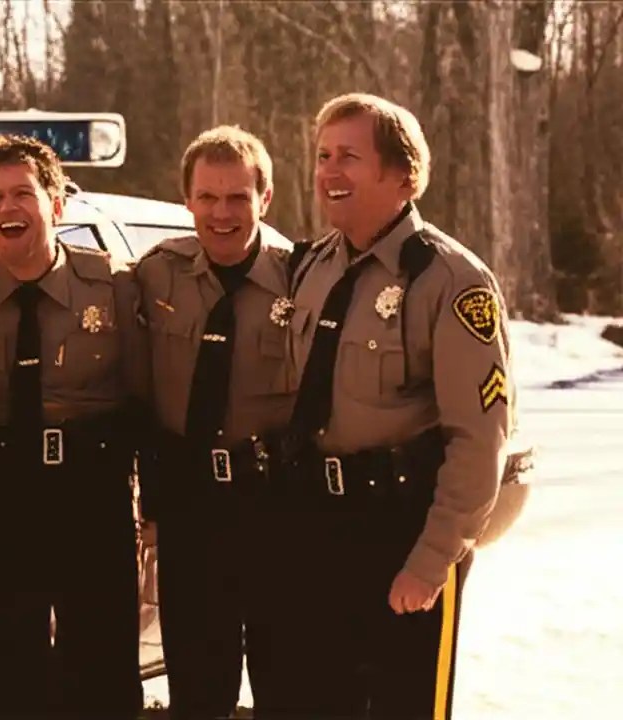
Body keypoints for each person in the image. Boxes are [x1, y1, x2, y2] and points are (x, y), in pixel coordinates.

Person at [275, 92, 513, 718]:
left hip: (402, 531)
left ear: (404, 176)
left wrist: (432, 561)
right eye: (323, 155)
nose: (328, 171)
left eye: (349, 157)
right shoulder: (315, 267)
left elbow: (479, 439)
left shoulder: (451, 280)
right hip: (318, 527)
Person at [0, 135, 148, 720]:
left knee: (102, 679)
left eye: (23, 194)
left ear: (56, 206)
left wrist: (152, 515)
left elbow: (151, 398)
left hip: (93, 503)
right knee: (8, 680)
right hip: (2, 506)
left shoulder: (116, 285)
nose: (8, 209)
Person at [133, 125, 296, 720]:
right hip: (190, 510)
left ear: (265, 198)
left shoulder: (301, 280)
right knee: (199, 691)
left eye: (237, 198)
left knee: (287, 685)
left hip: (276, 509)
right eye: (207, 197)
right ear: (188, 200)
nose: (221, 213)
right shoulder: (156, 276)